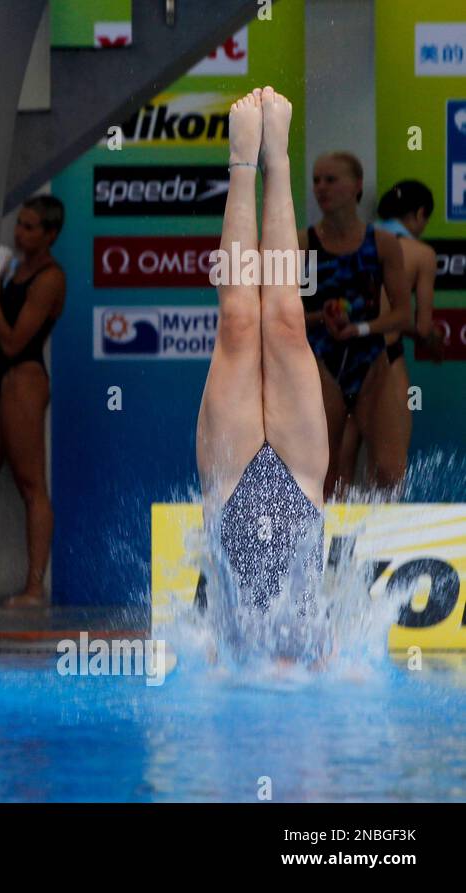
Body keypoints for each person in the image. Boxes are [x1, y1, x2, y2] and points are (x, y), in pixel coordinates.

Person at [197, 88, 327, 660]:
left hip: (231, 494)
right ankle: (278, 159)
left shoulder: (238, 665)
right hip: (299, 490)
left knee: (237, 323)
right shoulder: (305, 669)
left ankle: (242, 163)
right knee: (287, 321)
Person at [298, 151, 410, 497]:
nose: (321, 188)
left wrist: (359, 328)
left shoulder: (383, 244)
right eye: (316, 180)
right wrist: (323, 318)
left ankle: (377, 545)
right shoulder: (302, 245)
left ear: (356, 185)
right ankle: (325, 549)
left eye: (330, 180)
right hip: (321, 360)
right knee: (326, 477)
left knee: (390, 472)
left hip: (370, 360)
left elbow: (403, 314)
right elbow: (283, 316)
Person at [335, 180, 445, 493]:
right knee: (388, 473)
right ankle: (381, 539)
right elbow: (422, 329)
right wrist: (432, 339)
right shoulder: (421, 254)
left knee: (338, 468)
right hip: (385, 359)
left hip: (341, 364)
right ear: (420, 214)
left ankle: (329, 537)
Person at [0, 195, 66, 608]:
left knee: (31, 484)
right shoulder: (16, 269)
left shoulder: (50, 278)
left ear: (51, 234)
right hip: (1, 379)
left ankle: (35, 588)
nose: (20, 234)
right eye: (18, 224)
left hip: (25, 377)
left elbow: (13, 339)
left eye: (29, 227)